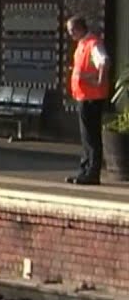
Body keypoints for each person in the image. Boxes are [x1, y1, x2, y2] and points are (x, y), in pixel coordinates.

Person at [65, 16, 109, 185]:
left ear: (80, 28)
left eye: (72, 30)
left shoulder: (93, 43)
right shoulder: (82, 45)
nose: (70, 34)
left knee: (91, 136)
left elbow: (104, 62)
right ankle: (84, 169)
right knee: (86, 136)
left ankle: (92, 172)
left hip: (92, 97)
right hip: (84, 96)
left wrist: (97, 79)